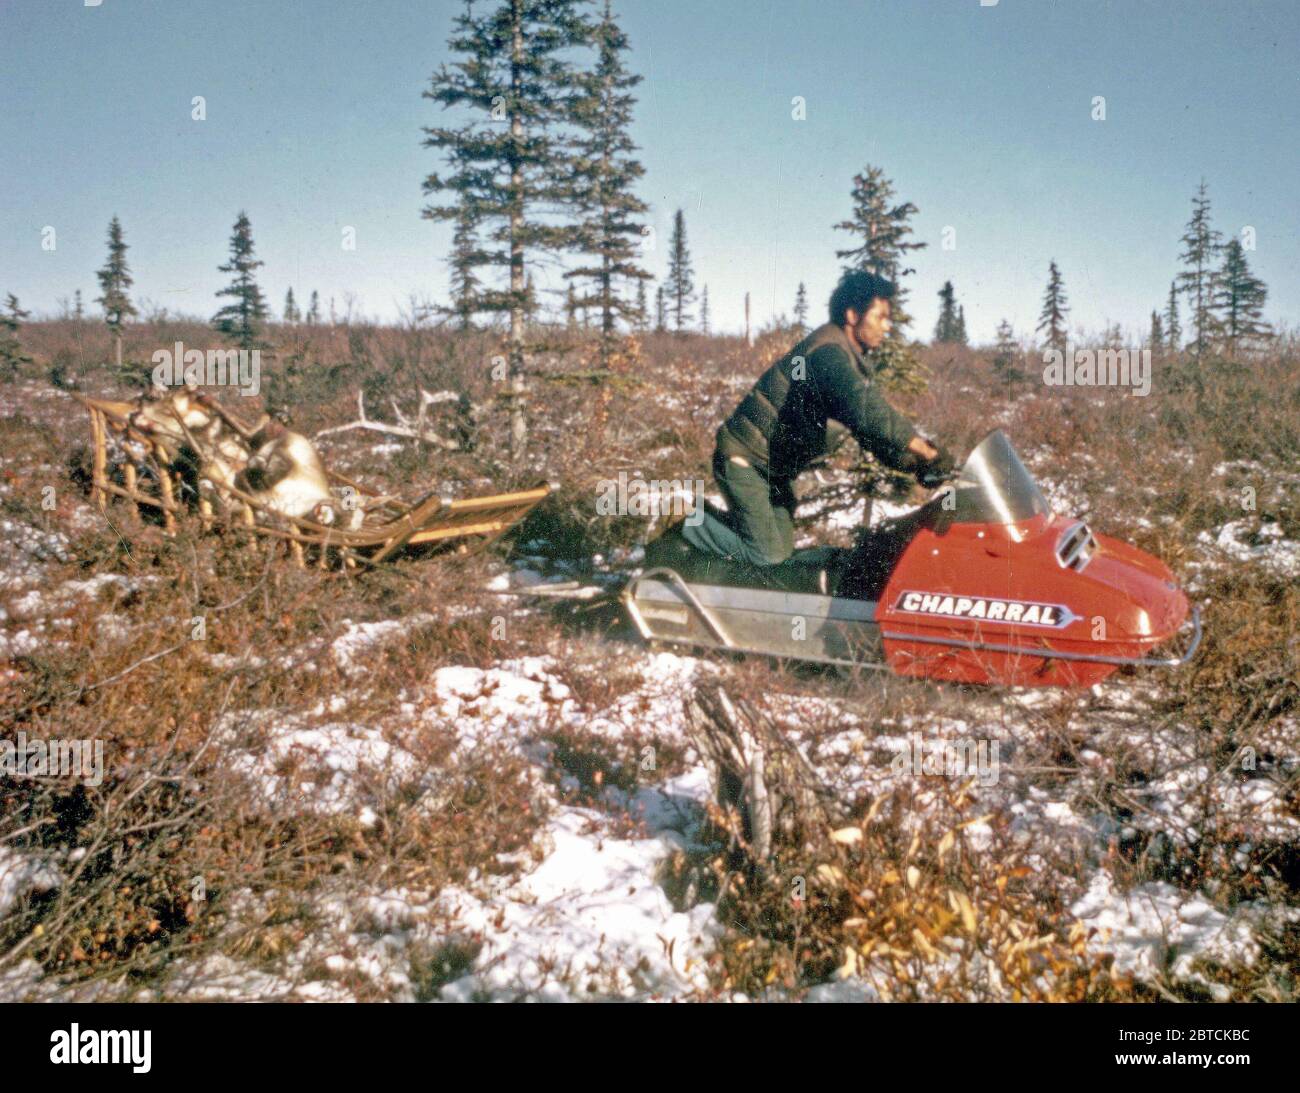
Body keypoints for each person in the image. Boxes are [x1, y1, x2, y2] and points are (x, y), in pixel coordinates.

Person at [678, 269, 953, 566]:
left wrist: (916, 463)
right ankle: (685, 523)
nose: (887, 326)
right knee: (766, 556)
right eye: (880, 317)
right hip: (744, 460)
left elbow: (867, 431)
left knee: (780, 563)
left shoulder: (846, 358)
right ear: (852, 315)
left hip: (774, 473)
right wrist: (924, 449)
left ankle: (704, 530)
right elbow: (865, 408)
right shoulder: (827, 354)